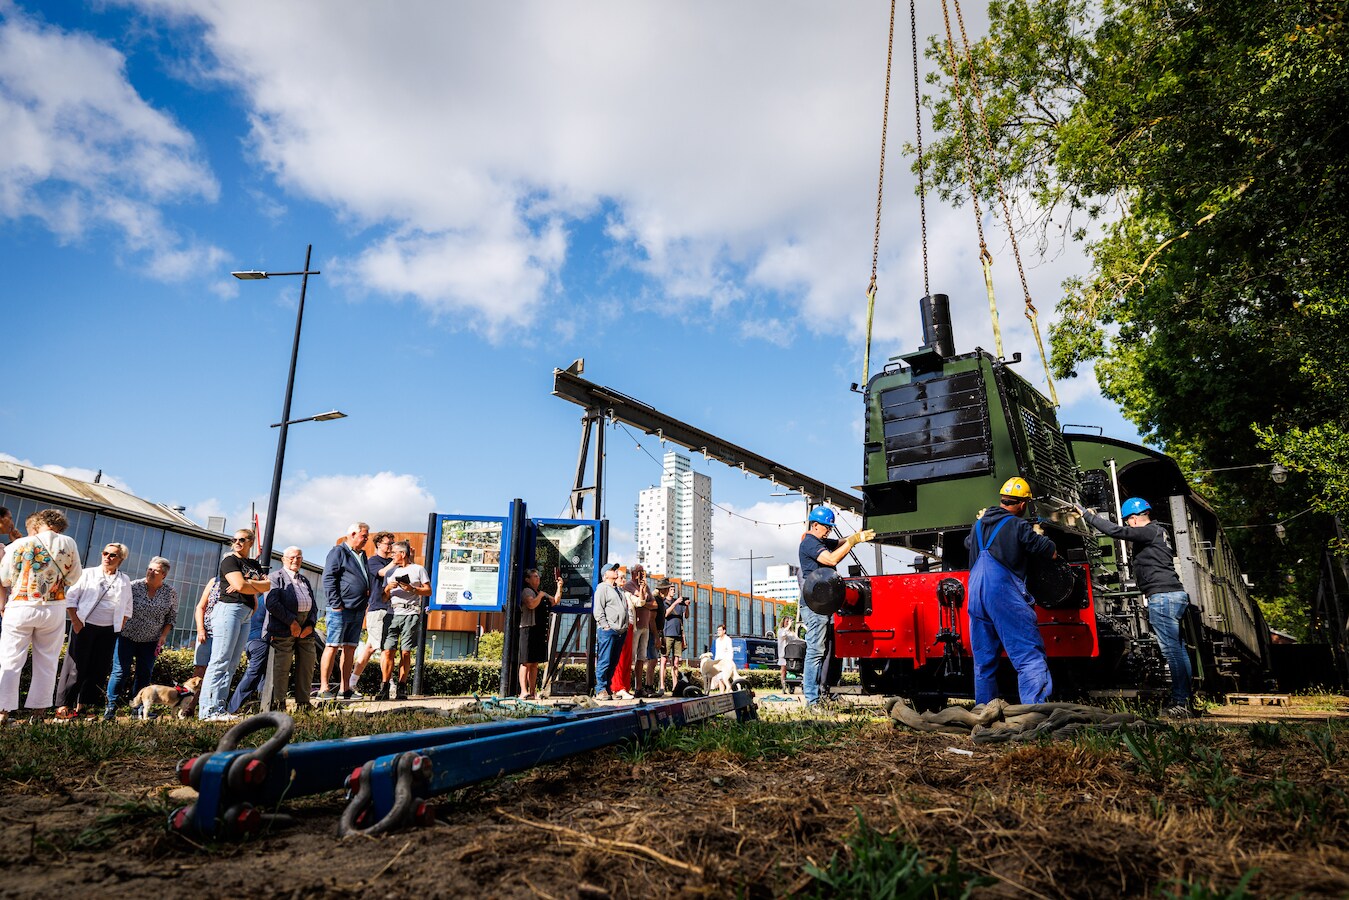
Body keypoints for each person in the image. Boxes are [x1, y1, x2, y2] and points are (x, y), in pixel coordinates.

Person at [1076, 496, 1196, 717]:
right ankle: (1185, 700)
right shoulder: (1159, 532)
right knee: (1178, 651)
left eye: (1128, 520)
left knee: (1172, 652)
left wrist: (1088, 516)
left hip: (1163, 597)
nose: (1128, 524)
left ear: (1133, 518)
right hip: (1172, 595)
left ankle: (1181, 703)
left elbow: (1117, 532)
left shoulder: (1149, 531)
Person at [965, 477, 1058, 706]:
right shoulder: (1018, 525)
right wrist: (1039, 534)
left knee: (984, 660)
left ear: (1002, 499)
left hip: (975, 593)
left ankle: (983, 710)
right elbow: (1050, 552)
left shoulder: (978, 526)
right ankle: (1034, 712)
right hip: (1001, 592)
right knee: (1028, 654)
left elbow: (968, 543)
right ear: (1023, 504)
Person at [0, 509, 82, 725]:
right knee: (47, 661)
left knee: (10, 659)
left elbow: (4, 578)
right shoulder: (69, 542)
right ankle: (38, 713)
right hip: (54, 607)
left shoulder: (18, 544)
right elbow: (74, 577)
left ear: (38, 523)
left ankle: (2, 711)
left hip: (20, 605)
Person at [798, 506, 875, 707]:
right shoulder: (809, 543)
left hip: (826, 603)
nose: (829, 531)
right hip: (815, 605)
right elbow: (831, 558)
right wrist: (852, 542)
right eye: (826, 527)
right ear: (815, 525)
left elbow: (840, 543)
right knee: (816, 651)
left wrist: (856, 536)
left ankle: (827, 694)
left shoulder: (821, 541)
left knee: (830, 651)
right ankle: (812, 700)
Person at [55, 542, 133, 719]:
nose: (107, 557)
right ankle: (64, 705)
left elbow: (128, 606)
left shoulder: (124, 580)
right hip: (84, 625)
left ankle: (84, 705)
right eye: (105, 553)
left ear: (121, 559)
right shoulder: (87, 573)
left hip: (109, 630)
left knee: (98, 668)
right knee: (75, 666)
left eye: (112, 555)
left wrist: (121, 624)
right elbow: (71, 598)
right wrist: (76, 622)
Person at [199, 529, 270, 721]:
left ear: (251, 542)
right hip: (229, 609)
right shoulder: (230, 560)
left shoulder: (254, 564)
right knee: (220, 661)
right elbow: (240, 587)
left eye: (242, 539)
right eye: (234, 539)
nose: (237, 542)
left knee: (232, 664)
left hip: (246, 613)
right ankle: (208, 710)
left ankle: (220, 709)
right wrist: (250, 583)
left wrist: (247, 582)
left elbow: (267, 586)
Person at [104, 557, 178, 720]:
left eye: (155, 571)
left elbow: (171, 618)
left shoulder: (170, 592)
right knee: (120, 672)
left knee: (144, 674)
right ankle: (111, 707)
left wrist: (163, 636)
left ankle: (137, 709)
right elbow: (119, 608)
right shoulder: (133, 586)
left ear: (164, 575)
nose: (150, 572)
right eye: (149, 569)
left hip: (151, 641)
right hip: (126, 636)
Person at [319, 522, 371, 701]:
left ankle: (345, 688)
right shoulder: (338, 552)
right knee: (332, 646)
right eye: (364, 536)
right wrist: (335, 604)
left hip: (358, 608)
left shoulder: (362, 555)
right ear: (353, 534)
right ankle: (324, 688)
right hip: (340, 609)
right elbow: (329, 577)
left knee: (350, 648)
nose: (366, 539)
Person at [264, 547, 317, 712]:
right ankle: (279, 703)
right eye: (292, 557)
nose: (295, 560)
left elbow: (313, 605)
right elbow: (272, 603)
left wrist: (310, 625)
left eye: (299, 557)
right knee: (282, 666)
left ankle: (303, 703)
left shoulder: (304, 579)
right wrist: (292, 622)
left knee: (307, 664)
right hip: (284, 626)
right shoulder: (274, 578)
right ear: (283, 559)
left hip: (306, 628)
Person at [380, 541, 429, 700]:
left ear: (403, 554)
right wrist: (388, 588)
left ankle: (402, 686)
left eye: (394, 553)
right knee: (388, 651)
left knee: (406, 652)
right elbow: (383, 598)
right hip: (392, 613)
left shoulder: (418, 569)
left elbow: (428, 591)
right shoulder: (390, 572)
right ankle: (384, 686)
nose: (392, 555)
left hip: (410, 613)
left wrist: (412, 589)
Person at [351, 531, 396, 692]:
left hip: (391, 608)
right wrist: (396, 561)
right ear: (378, 544)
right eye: (388, 543)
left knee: (370, 647)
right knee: (385, 648)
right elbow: (382, 573)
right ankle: (388, 685)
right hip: (378, 608)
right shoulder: (373, 561)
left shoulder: (392, 561)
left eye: (392, 543)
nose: (391, 546)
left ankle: (352, 681)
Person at [592, 563, 629, 700]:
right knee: (605, 660)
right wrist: (605, 625)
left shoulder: (618, 590)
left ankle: (607, 688)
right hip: (608, 631)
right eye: (612, 570)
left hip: (620, 631)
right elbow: (598, 610)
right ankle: (600, 689)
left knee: (613, 662)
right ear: (605, 574)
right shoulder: (602, 588)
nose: (616, 571)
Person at [517, 568, 555, 699]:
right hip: (527, 628)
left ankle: (533, 691)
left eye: (538, 576)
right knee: (525, 662)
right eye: (534, 576)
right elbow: (531, 604)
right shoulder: (527, 591)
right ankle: (523, 691)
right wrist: (541, 595)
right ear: (527, 579)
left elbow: (554, 601)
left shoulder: (540, 592)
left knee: (534, 663)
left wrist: (560, 587)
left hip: (538, 629)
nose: (537, 578)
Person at [660, 582, 688, 692]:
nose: (673, 591)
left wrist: (687, 606)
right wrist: (675, 603)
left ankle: (675, 686)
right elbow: (665, 614)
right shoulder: (664, 602)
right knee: (664, 660)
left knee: (676, 661)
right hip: (667, 634)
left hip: (678, 635)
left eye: (674, 589)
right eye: (671, 589)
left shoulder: (679, 603)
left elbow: (686, 616)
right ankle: (662, 686)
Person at [193, 576, 219, 680]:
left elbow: (253, 606)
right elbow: (200, 607)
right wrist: (200, 630)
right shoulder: (214, 581)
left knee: (218, 669)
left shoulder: (241, 583)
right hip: (207, 632)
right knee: (200, 668)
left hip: (225, 634)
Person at [776, 616, 796, 692]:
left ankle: (791, 687)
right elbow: (783, 635)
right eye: (786, 621)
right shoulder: (781, 630)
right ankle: (783, 687)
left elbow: (796, 639)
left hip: (791, 654)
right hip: (783, 654)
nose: (788, 623)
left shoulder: (791, 633)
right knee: (783, 671)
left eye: (789, 621)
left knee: (792, 670)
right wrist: (788, 626)